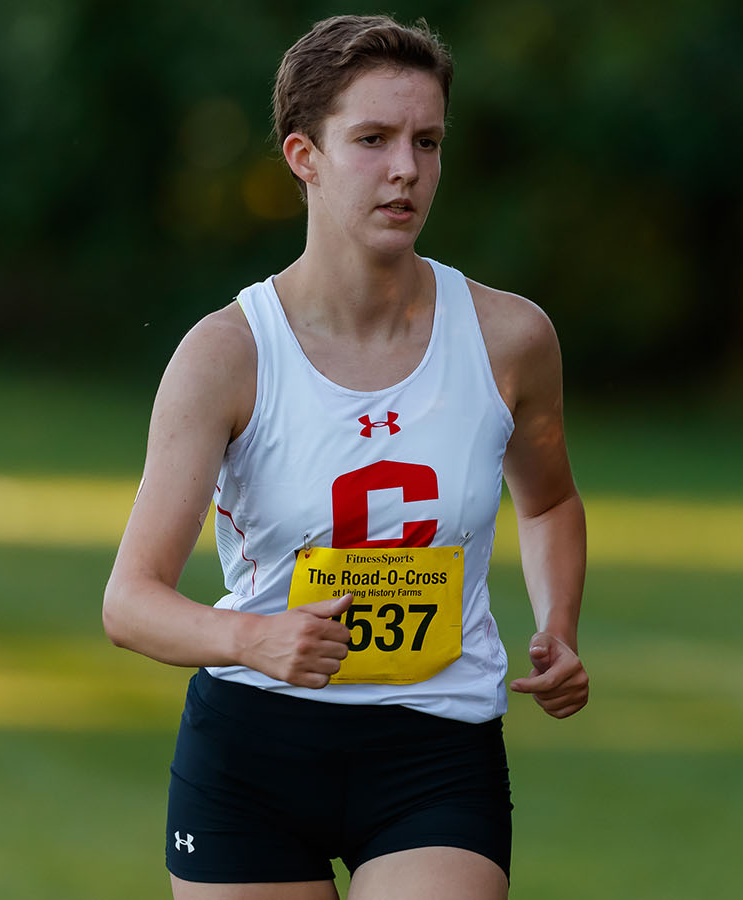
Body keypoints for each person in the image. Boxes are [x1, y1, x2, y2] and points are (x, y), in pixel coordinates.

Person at [102, 15, 588, 900]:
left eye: (427, 141)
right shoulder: (226, 355)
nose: (407, 168)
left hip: (437, 748)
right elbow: (130, 601)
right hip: (254, 751)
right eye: (373, 139)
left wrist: (558, 623)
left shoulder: (510, 338)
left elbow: (549, 501)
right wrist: (254, 639)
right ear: (304, 155)